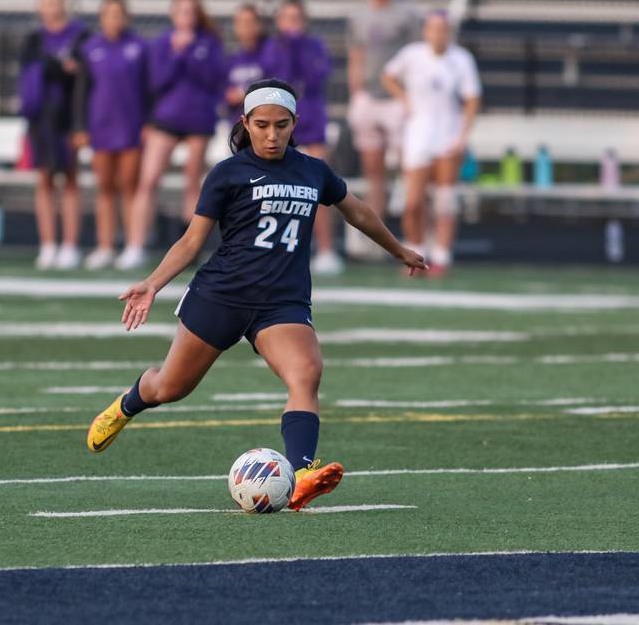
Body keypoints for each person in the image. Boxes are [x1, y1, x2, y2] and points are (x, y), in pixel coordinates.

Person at [86, 79, 427, 511]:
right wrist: (152, 283)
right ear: (245, 123)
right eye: (262, 125)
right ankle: (127, 405)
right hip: (221, 296)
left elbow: (356, 211)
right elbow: (192, 241)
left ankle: (301, 473)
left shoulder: (313, 170)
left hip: (281, 303)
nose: (272, 135)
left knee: (306, 373)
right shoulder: (227, 173)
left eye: (281, 125)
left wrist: (399, 250)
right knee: (170, 387)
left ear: (295, 123)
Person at [117, 0, 224, 270]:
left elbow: (213, 79)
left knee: (193, 182)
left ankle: (191, 248)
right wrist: (177, 53)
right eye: (182, 11)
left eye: (191, 11)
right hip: (166, 119)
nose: (186, 16)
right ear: (173, 14)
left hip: (198, 119)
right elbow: (156, 81)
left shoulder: (209, 42)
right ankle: (135, 245)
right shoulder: (162, 43)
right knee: (149, 180)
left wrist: (191, 53)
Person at [382, 10, 481, 278]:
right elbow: (388, 75)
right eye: (434, 28)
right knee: (413, 201)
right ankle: (416, 252)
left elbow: (472, 98)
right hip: (418, 134)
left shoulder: (461, 59)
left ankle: (441, 256)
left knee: (444, 200)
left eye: (443, 29)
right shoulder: (412, 54)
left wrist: (463, 136)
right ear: (426, 31)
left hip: (448, 134)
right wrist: (404, 99)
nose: (439, 34)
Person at [261, 0, 341, 276]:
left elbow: (315, 78)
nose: (292, 24)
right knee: (274, 187)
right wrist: (288, 48)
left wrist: (297, 47)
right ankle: (273, 249)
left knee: (318, 186)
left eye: (296, 18)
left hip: (312, 121)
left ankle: (326, 250)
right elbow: (278, 81)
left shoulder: (314, 46)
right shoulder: (272, 47)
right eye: (287, 18)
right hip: (281, 123)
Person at [73, 0, 149, 271]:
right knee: (104, 187)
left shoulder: (139, 47)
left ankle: (133, 246)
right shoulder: (90, 48)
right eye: (109, 15)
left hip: (132, 126)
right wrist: (80, 127)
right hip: (100, 126)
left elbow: (149, 89)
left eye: (119, 14)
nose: (114, 20)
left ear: (126, 17)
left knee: (129, 186)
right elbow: (82, 90)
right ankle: (105, 246)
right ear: (101, 18)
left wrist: (149, 122)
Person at [345, 0, 421, 260]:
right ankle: (377, 238)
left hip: (398, 98)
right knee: (373, 171)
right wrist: (356, 93)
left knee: (411, 169)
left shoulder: (408, 14)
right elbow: (356, 56)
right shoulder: (357, 16)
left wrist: (410, 97)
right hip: (369, 97)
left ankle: (417, 235)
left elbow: (417, 57)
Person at [20, 0, 88, 270]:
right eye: (45, 1)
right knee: (44, 178)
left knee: (70, 178)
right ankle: (47, 244)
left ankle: (70, 245)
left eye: (55, 0)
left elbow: (83, 76)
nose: (50, 5)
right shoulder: (33, 39)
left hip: (68, 116)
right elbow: (29, 77)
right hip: (41, 118)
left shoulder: (80, 35)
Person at [223, 3, 266, 125]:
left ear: (258, 25)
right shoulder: (232, 59)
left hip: (263, 124)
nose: (246, 27)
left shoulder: (270, 53)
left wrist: (245, 95)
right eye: (241, 23)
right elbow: (223, 92)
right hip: (238, 124)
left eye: (250, 22)